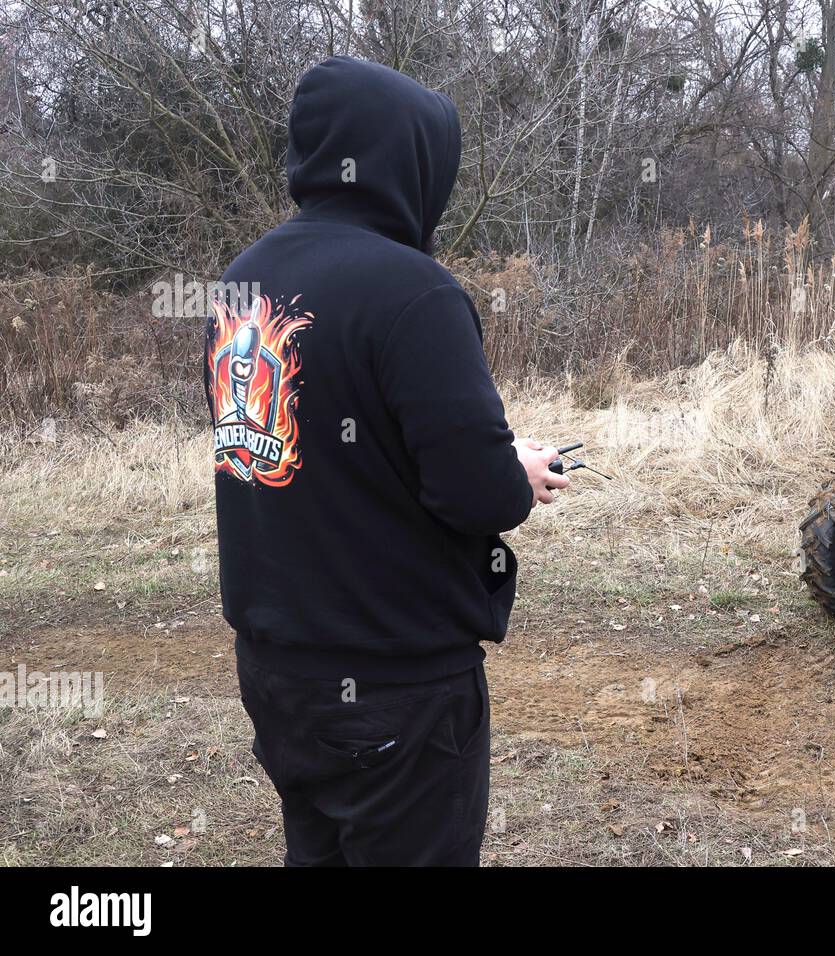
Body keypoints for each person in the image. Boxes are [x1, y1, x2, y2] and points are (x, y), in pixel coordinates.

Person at [203, 56, 568, 866]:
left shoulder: (241, 283)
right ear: (409, 164)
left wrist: (489, 456)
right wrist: (519, 473)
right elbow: (477, 495)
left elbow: (311, 453)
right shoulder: (416, 292)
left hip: (279, 674)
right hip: (394, 688)